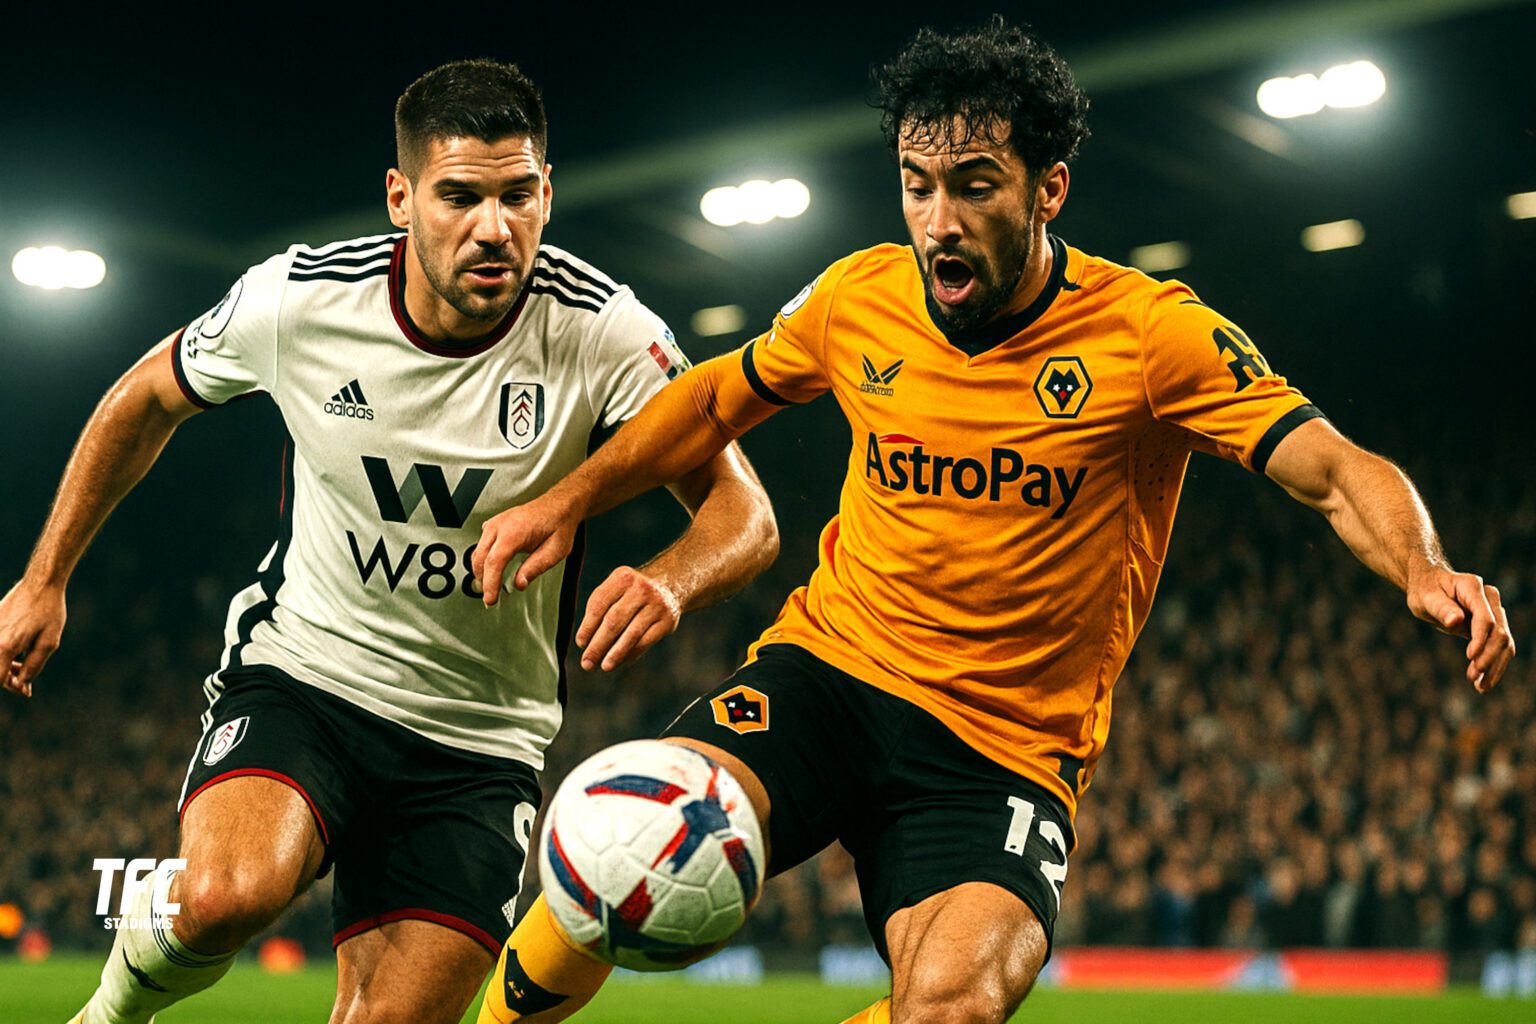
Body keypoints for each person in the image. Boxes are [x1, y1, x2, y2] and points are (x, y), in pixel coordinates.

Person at [466, 18, 1515, 1024]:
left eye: (975, 186)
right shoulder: (855, 299)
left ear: (1049, 188)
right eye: (918, 187)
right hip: (829, 677)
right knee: (626, 833)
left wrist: (1422, 567)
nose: (938, 221)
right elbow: (708, 400)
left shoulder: (1152, 336)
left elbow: (1330, 468)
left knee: (955, 1006)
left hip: (1004, 747)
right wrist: (570, 501)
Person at [0, 59, 776, 1024]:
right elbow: (147, 396)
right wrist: (44, 579)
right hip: (308, 675)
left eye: (518, 195)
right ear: (401, 199)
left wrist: (667, 582)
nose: (494, 228)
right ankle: (110, 1012)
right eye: (460, 196)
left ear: (547, 193)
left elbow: (746, 516)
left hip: (481, 740)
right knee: (223, 898)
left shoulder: (605, 333)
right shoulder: (300, 301)